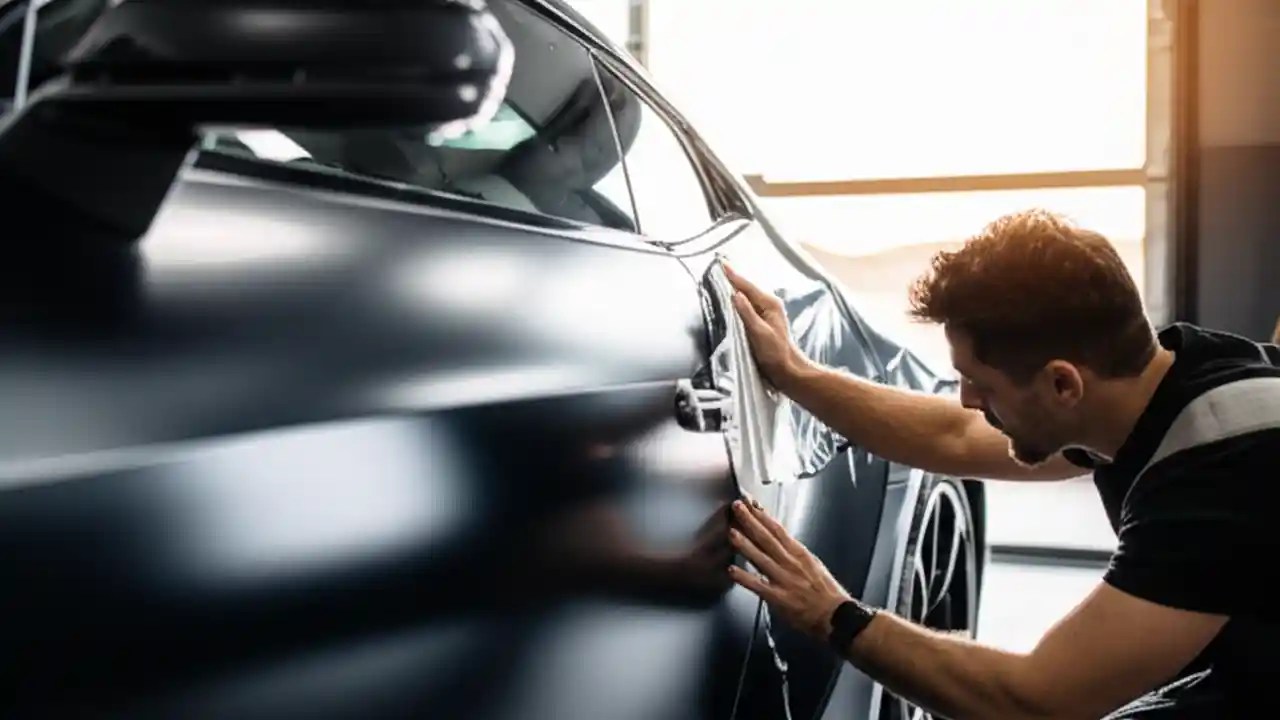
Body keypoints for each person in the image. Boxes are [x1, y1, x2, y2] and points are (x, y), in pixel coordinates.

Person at [720, 208, 1280, 719]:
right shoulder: (1169, 379)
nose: (966, 399)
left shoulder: (1219, 473)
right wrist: (794, 373)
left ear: (1062, 383)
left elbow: (1034, 701)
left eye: (979, 383)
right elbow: (956, 436)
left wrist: (835, 616)